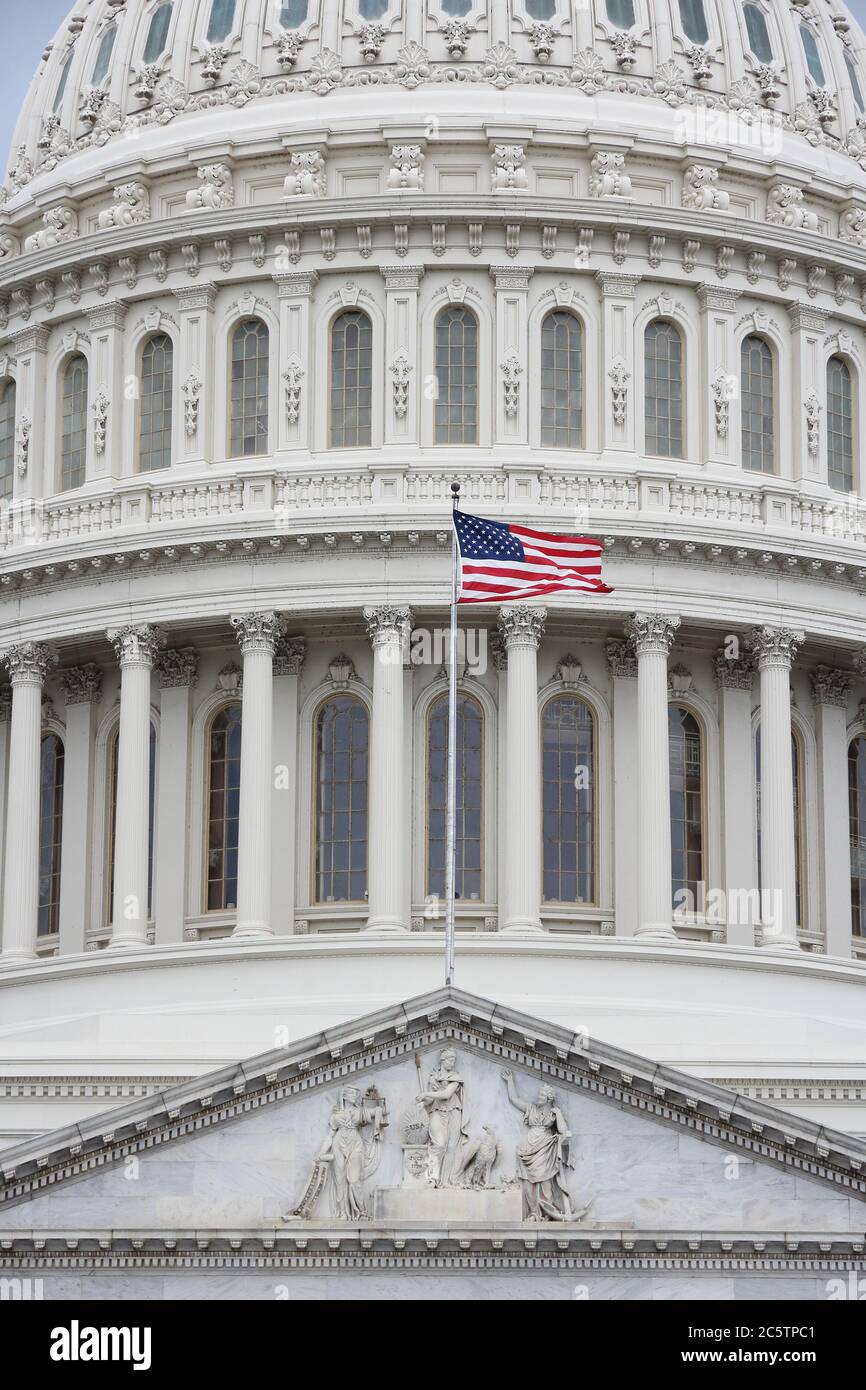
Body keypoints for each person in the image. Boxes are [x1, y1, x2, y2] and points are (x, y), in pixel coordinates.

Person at [501, 1070, 577, 1221]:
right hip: (527, 1150)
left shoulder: (553, 1114)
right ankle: (534, 1213)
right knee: (528, 1183)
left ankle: (547, 1211)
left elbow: (563, 1131)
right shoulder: (532, 1109)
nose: (539, 1097)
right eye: (539, 1095)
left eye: (542, 1096)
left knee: (545, 1182)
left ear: (549, 1099)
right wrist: (510, 1081)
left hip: (545, 1149)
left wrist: (559, 1113)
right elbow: (513, 1099)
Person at [416, 1047, 470, 1186]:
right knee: (439, 1143)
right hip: (436, 1110)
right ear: (443, 1060)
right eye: (450, 1059)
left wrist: (427, 1094)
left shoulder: (456, 1077)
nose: (452, 1063)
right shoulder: (433, 1077)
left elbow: (446, 1094)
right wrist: (423, 1100)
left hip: (453, 1111)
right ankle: (433, 1177)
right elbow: (430, 1101)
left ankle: (446, 1181)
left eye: (454, 1060)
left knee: (452, 1146)